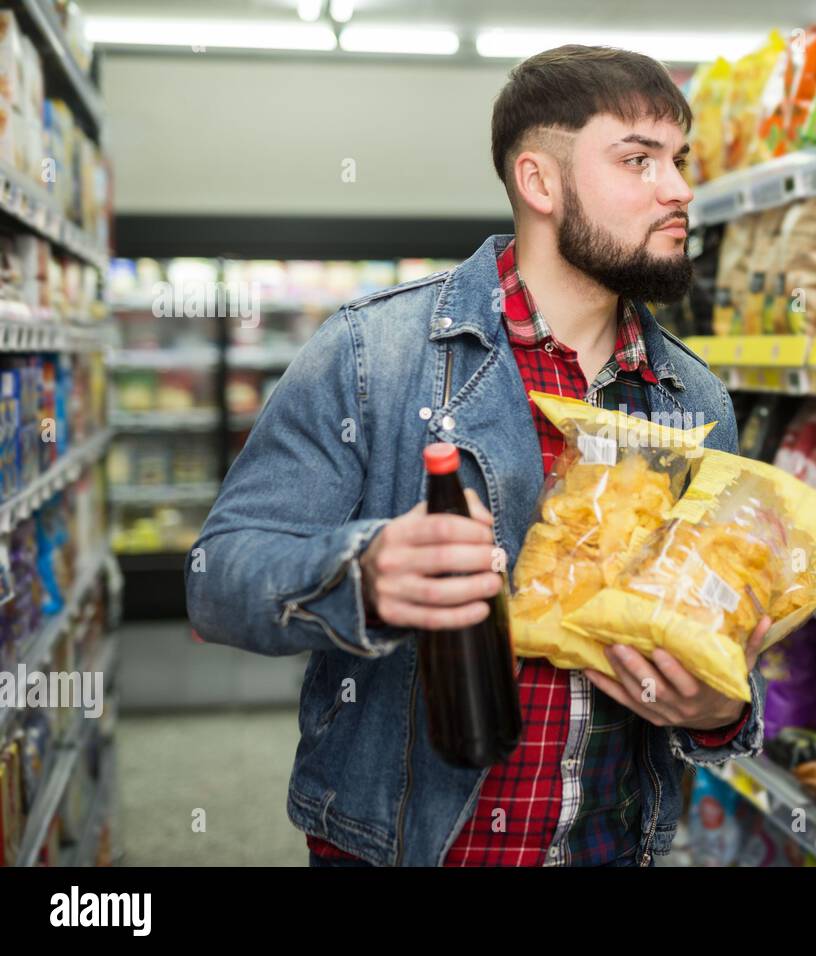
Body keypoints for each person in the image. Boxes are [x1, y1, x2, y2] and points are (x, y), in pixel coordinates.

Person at [185, 44, 768, 867]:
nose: (677, 189)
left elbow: (717, 655)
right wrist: (366, 575)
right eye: (638, 160)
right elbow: (217, 580)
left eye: (679, 160)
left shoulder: (694, 403)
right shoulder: (371, 355)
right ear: (540, 181)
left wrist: (718, 712)